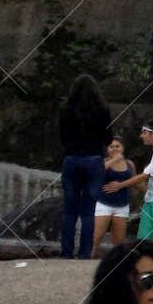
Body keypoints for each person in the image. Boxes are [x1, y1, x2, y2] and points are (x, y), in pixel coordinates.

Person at [104, 121, 153, 252]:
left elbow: (145, 176)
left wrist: (120, 185)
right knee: (144, 237)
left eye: (144, 133)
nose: (141, 136)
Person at [57, 75, 111, 259]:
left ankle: (65, 252)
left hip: (71, 159)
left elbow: (62, 137)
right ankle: (85, 253)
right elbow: (108, 138)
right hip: (94, 159)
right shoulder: (102, 110)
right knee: (89, 210)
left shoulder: (66, 109)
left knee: (70, 210)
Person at [92, 136, 135, 258]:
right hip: (104, 203)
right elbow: (96, 173)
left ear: (123, 148)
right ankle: (87, 259)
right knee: (96, 237)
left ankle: (116, 266)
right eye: (111, 147)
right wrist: (114, 160)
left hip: (122, 205)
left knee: (119, 241)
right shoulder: (103, 162)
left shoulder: (129, 164)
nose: (115, 149)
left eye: (117, 146)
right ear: (107, 149)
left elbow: (134, 181)